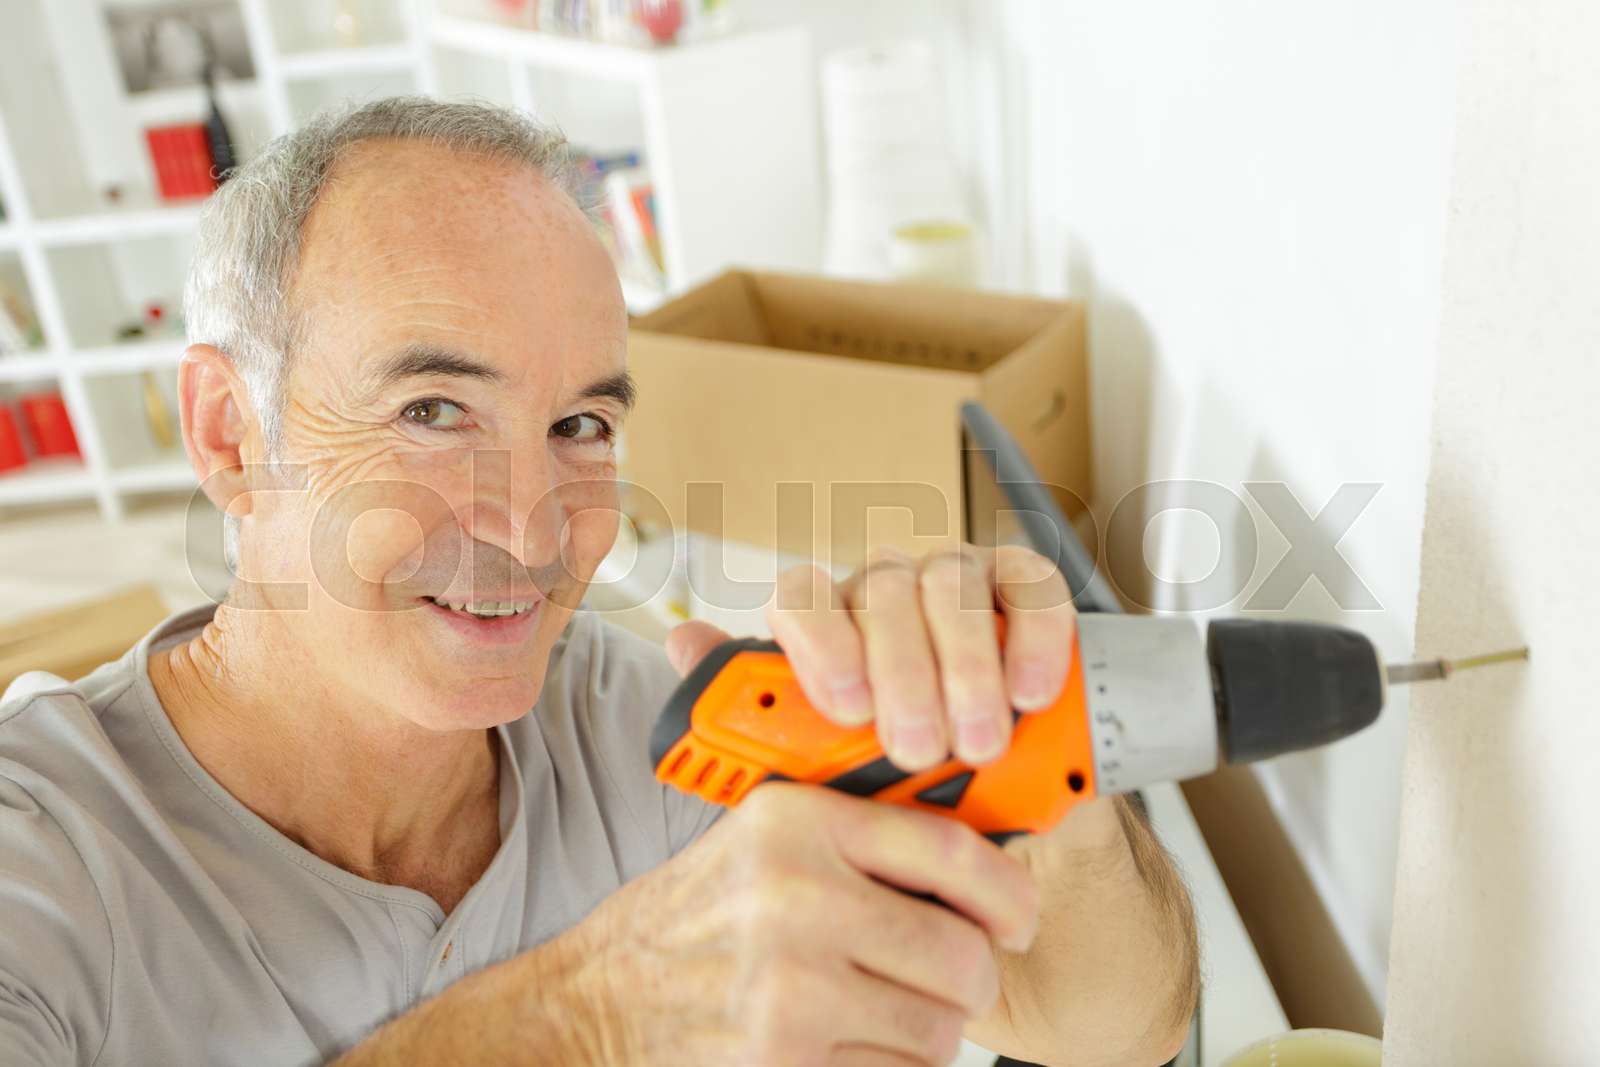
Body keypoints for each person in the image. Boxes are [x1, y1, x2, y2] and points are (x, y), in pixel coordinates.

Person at [0, 99, 1197, 1067]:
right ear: (226, 433)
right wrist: (583, 1020)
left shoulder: (640, 731)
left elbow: (1102, 1028)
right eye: (432, 410)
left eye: (580, 422)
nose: (531, 524)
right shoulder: (41, 860)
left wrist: (1052, 768)